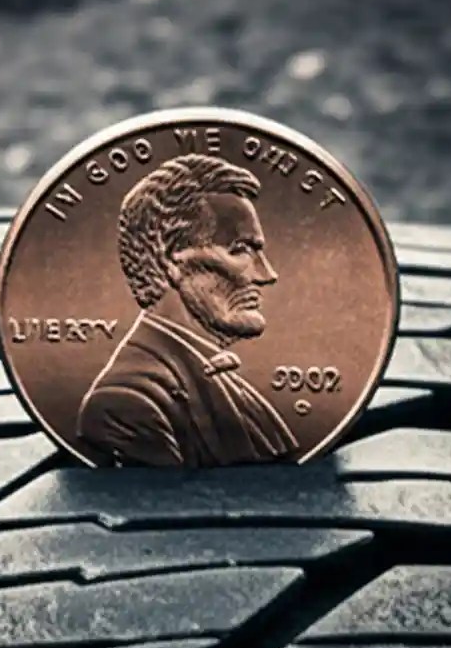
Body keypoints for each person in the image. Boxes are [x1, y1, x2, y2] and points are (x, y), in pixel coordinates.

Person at [77, 153, 299, 466]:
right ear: (170, 259)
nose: (266, 274)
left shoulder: (209, 370)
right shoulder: (126, 402)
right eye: (240, 250)